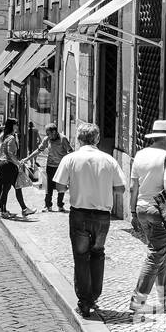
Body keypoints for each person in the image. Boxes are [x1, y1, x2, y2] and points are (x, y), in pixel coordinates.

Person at [53, 123, 126, 318]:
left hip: (79, 215)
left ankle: (84, 301)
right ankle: (93, 296)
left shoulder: (70, 159)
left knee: (81, 256)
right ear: (97, 139)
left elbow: (59, 187)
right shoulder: (109, 160)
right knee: (98, 253)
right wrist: (102, 188)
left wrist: (77, 186)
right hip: (102, 217)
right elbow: (120, 189)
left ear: (78, 139)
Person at [128, 119, 166, 317]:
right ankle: (138, 300)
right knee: (155, 255)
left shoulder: (140, 154)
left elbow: (134, 187)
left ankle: (165, 297)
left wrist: (133, 212)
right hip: (159, 211)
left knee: (159, 253)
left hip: (142, 210)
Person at [36, 124, 73, 211]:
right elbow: (38, 150)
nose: (47, 136)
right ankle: (48, 205)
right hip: (50, 166)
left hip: (60, 167)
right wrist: (27, 158)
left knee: (61, 185)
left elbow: (71, 151)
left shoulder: (63, 139)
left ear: (54, 132)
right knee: (49, 186)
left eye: (48, 133)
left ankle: (60, 205)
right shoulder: (47, 139)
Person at [0, 120, 22, 218]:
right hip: (9, 165)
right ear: (13, 126)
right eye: (16, 124)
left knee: (6, 188)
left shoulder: (6, 136)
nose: (18, 126)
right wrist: (17, 162)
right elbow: (10, 153)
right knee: (6, 188)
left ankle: (4, 210)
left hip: (4, 163)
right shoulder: (10, 137)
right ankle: (3, 211)